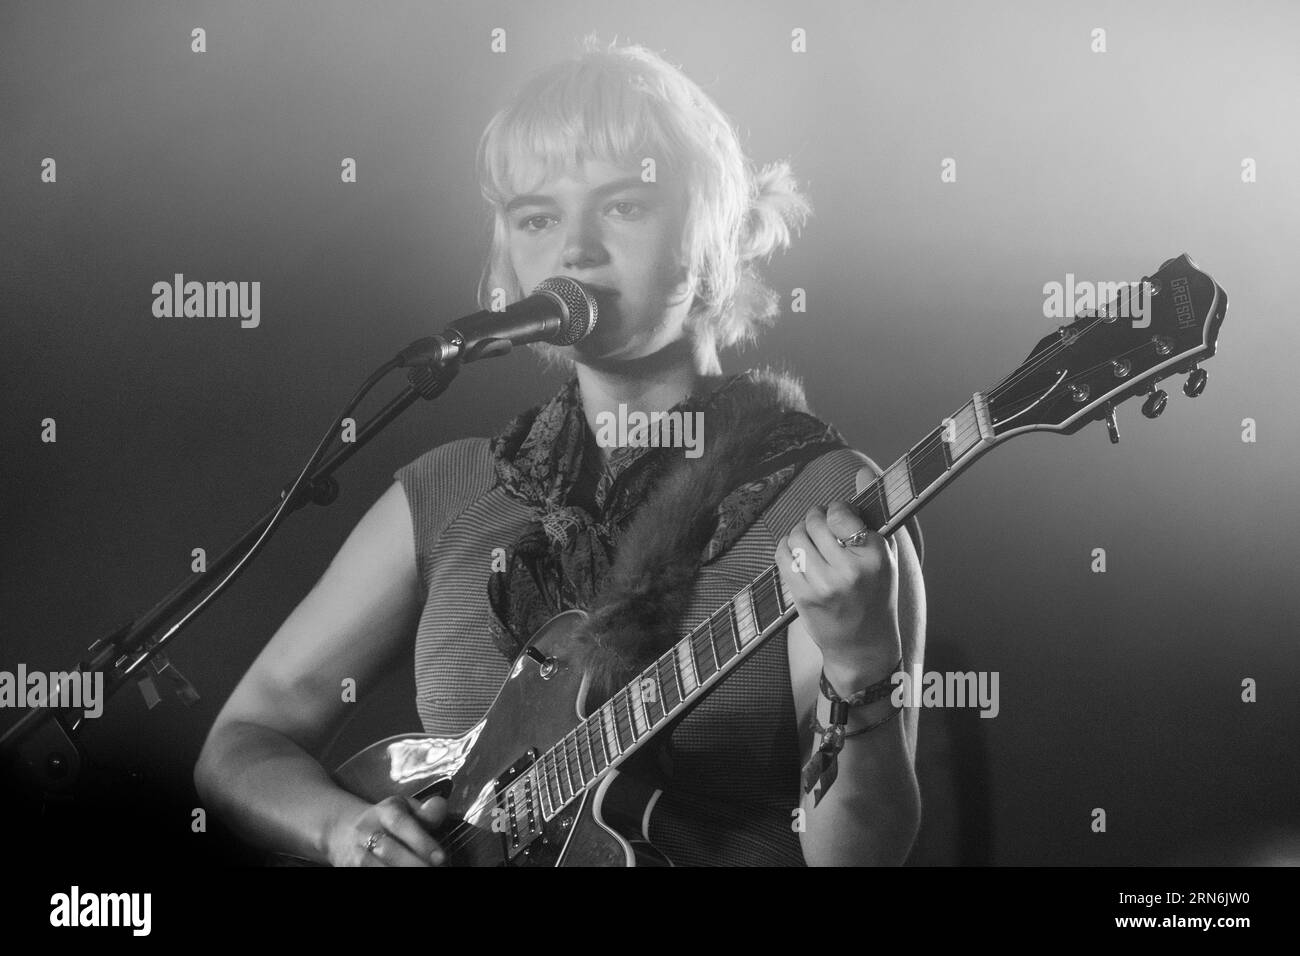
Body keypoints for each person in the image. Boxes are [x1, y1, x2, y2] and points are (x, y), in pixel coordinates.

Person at [195, 36, 926, 867]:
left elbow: (858, 858)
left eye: (624, 205)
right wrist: (344, 830)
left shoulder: (830, 500)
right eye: (536, 217)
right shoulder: (449, 490)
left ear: (715, 228)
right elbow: (242, 740)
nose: (573, 249)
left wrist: (861, 659)